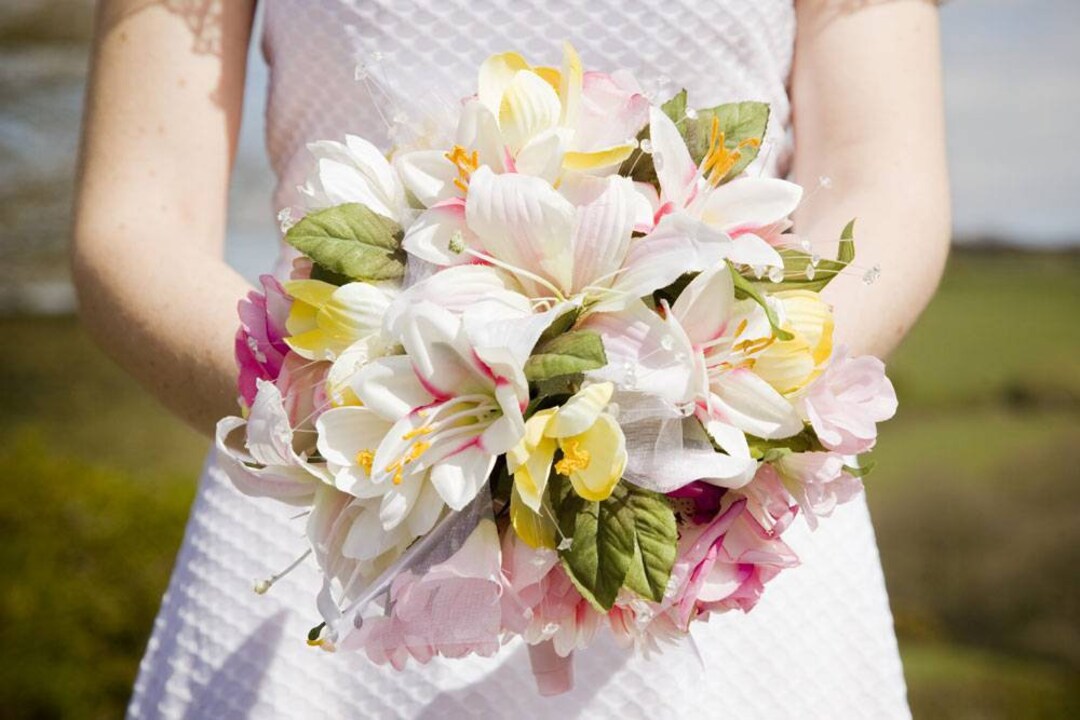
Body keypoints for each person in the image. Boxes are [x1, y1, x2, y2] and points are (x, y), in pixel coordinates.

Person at [72, 1, 949, 717]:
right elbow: (135, 226)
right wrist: (354, 435)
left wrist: (681, 420)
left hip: (716, 497)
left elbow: (884, 188)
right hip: (353, 488)